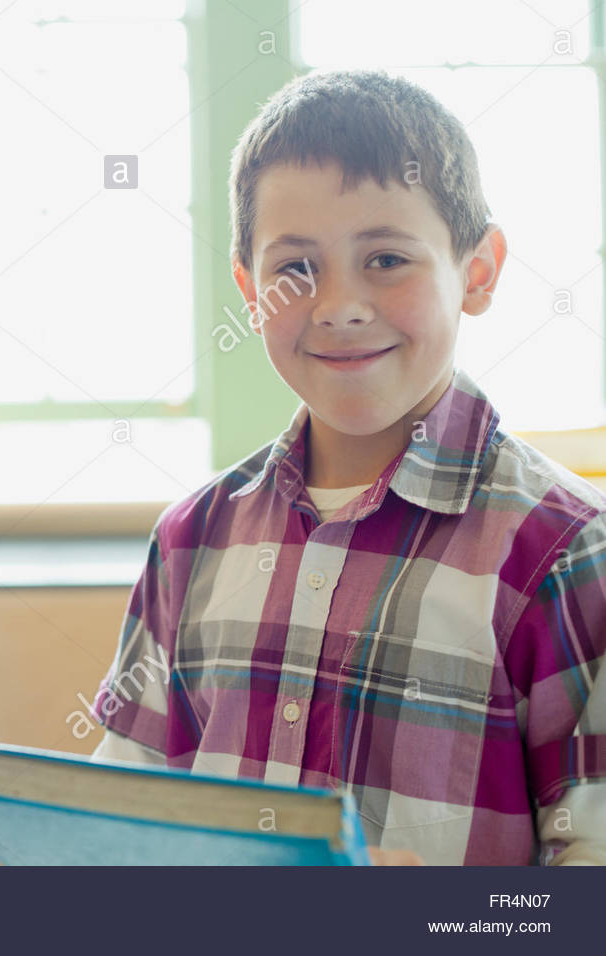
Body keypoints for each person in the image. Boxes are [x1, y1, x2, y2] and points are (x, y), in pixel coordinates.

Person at [89, 68, 606, 866]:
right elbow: (124, 827)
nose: (338, 305)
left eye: (388, 259)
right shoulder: (191, 538)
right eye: (295, 269)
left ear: (478, 270)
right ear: (248, 289)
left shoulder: (564, 554)